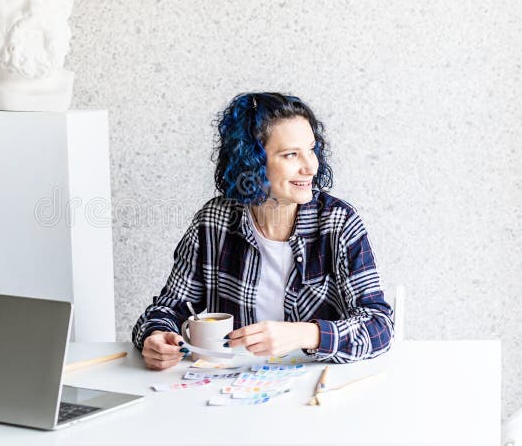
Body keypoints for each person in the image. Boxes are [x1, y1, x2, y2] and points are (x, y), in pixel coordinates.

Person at [131, 92, 394, 370]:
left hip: (318, 383)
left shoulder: (339, 222)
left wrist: (304, 334)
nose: (311, 166)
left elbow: (379, 326)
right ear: (251, 161)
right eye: (291, 154)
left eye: (311, 149)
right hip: (236, 383)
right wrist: (156, 337)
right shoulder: (213, 223)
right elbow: (168, 308)